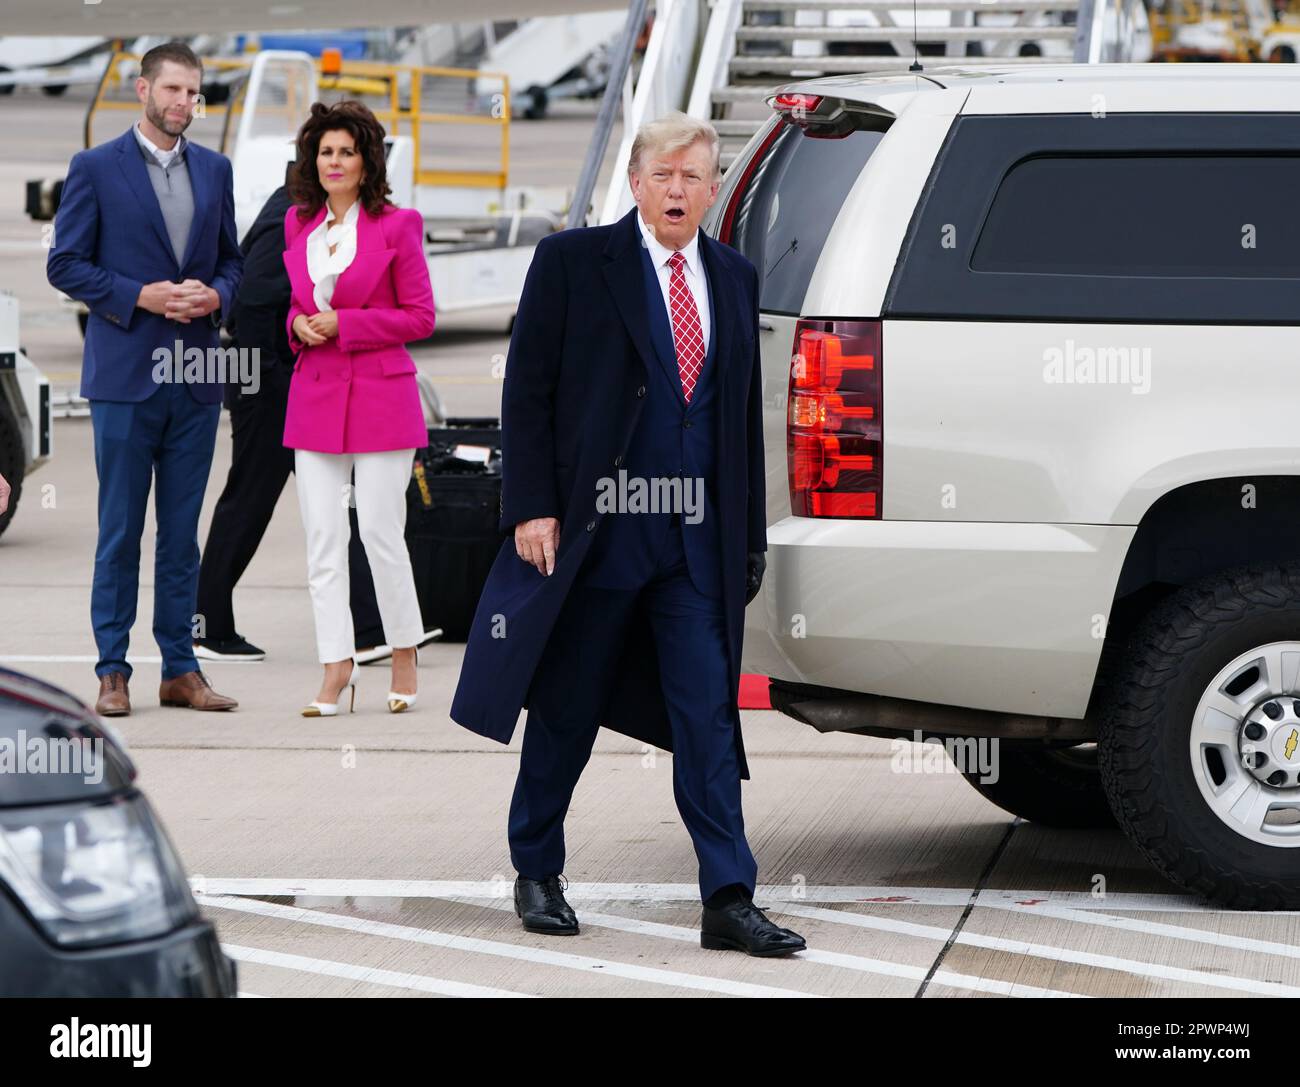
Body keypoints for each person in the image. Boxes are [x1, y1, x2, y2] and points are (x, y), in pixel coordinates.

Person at [450, 112, 806, 956]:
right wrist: (531, 506)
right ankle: (536, 868)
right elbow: (527, 391)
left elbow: (737, 423)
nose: (678, 189)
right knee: (568, 710)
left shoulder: (732, 274)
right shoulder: (574, 264)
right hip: (600, 534)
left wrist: (746, 538)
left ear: (715, 189)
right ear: (637, 184)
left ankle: (727, 894)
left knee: (709, 718)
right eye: (664, 175)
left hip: (692, 546)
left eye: (694, 176)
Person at [46, 41, 243, 717]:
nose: (186, 103)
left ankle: (180, 670)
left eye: (195, 93)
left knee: (181, 535)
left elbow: (233, 263)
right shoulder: (96, 168)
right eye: (175, 91)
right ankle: (113, 670)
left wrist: (218, 295)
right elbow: (65, 264)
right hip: (126, 378)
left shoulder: (215, 170)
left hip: (196, 378)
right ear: (143, 90)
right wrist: (140, 296)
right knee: (120, 530)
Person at [193, 164, 438, 665]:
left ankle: (370, 631)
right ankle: (207, 624)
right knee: (252, 497)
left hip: (301, 383)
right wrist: (283, 368)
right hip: (265, 381)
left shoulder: (328, 216)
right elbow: (257, 297)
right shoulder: (293, 215)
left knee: (347, 508)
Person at [282, 100, 434, 716]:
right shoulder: (299, 224)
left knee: (378, 531)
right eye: (325, 152)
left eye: (346, 151)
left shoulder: (400, 225)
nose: (335, 162)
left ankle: (402, 649)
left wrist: (345, 322)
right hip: (315, 397)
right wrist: (300, 325)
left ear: (367, 160)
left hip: (380, 397)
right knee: (321, 539)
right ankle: (336, 663)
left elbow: (420, 317)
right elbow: (290, 311)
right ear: (312, 161)